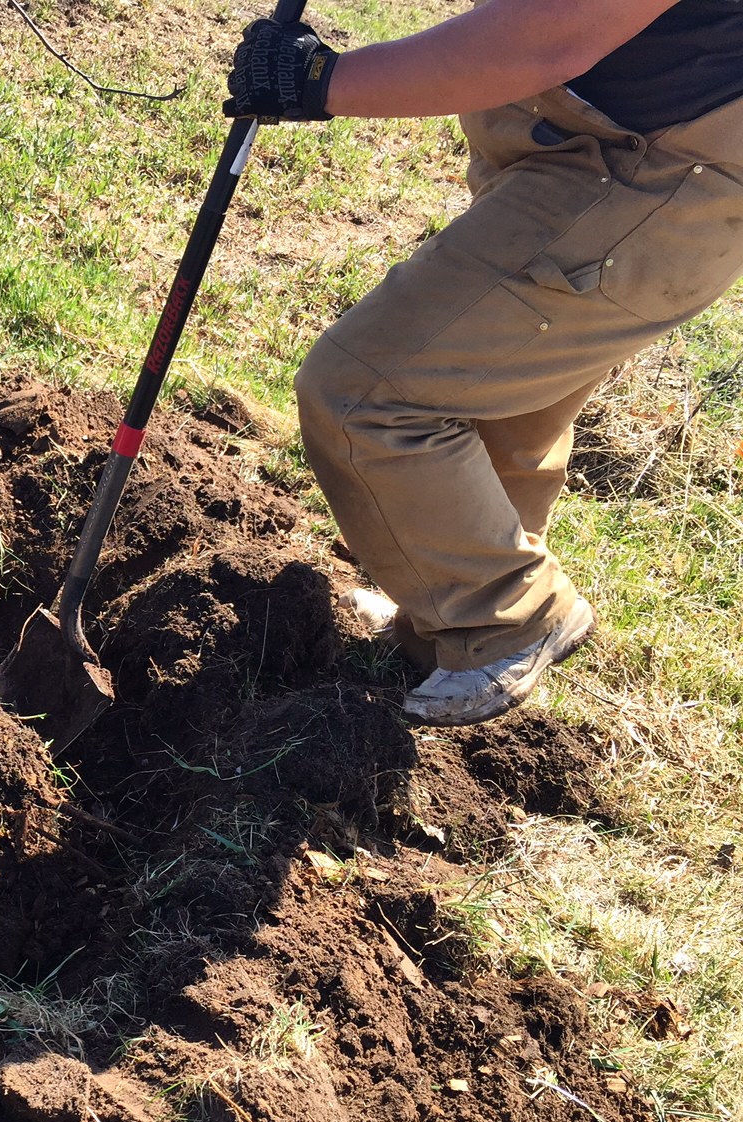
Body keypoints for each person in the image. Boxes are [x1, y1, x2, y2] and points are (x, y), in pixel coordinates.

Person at [224, 0, 743, 725]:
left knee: (367, 392)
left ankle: (509, 618)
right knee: (490, 392)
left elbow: (548, 35)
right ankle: (449, 619)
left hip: (656, 169)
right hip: (593, 131)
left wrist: (322, 82)